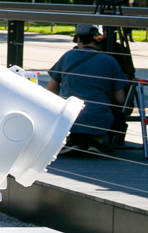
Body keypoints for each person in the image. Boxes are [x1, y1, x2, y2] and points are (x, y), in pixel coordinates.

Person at [46, 24, 132, 154]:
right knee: (109, 113)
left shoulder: (68, 56)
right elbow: (120, 99)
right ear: (100, 39)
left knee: (75, 116)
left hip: (69, 117)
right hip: (100, 118)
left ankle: (72, 140)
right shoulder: (110, 61)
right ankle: (97, 141)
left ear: (78, 39)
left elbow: (51, 89)